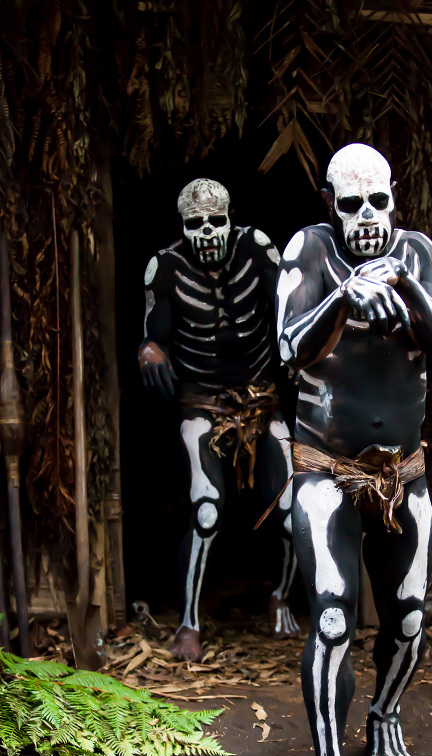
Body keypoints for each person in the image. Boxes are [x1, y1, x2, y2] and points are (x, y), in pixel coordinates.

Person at [276, 143, 432, 756]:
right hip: (325, 471)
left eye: (378, 202)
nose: (367, 218)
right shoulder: (308, 251)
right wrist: (342, 295)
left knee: (409, 620)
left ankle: (384, 711)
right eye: (351, 205)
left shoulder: (418, 254)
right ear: (330, 204)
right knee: (332, 617)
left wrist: (401, 282)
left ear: (394, 198)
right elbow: (288, 348)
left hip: (402, 476)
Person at [139, 178, 299, 661]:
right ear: (182, 227)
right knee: (207, 509)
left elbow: (290, 311)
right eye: (195, 224)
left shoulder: (257, 249)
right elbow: (153, 334)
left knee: (292, 507)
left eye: (216, 221)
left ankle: (282, 595)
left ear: (230, 220)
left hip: (261, 399)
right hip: (203, 404)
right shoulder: (165, 267)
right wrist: (149, 350)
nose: (207, 232)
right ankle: (189, 621)